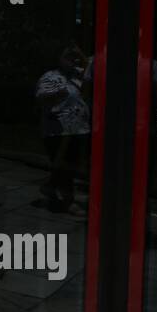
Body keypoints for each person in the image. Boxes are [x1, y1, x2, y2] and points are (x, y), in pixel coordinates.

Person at [35, 42, 91, 214]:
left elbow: (93, 71)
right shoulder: (51, 77)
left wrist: (80, 54)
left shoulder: (77, 75)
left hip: (78, 129)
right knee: (65, 167)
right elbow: (42, 97)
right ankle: (68, 201)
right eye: (68, 57)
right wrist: (58, 95)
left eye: (73, 58)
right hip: (58, 131)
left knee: (69, 166)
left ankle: (51, 186)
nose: (72, 60)